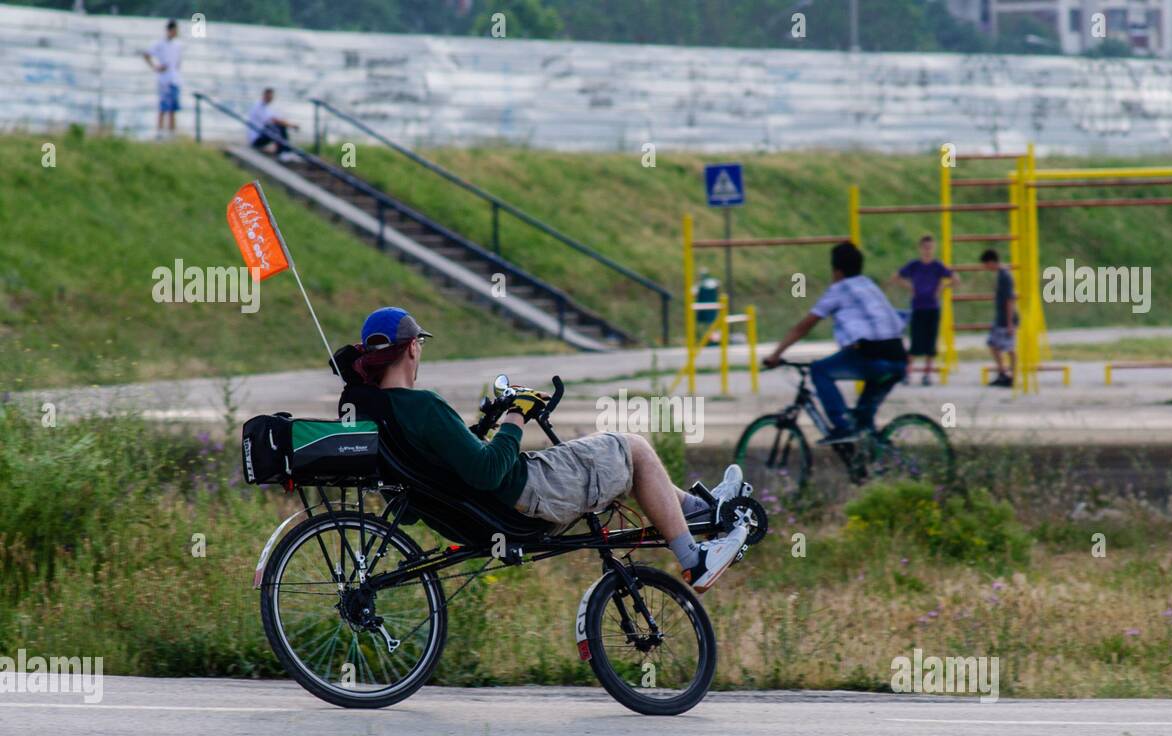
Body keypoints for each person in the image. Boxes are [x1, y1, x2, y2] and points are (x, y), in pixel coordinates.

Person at [345, 307, 750, 593]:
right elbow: (487, 472)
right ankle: (694, 561)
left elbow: (426, 489)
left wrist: (486, 428)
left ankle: (705, 512)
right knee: (634, 449)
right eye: (419, 347)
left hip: (489, 517)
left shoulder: (381, 415)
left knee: (620, 467)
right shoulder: (423, 405)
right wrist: (517, 416)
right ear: (413, 347)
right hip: (526, 498)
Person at [762, 242, 907, 444]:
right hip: (899, 358)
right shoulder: (869, 285)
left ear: (836, 271)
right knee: (864, 422)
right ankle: (873, 461)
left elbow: (803, 327)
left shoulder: (838, 290)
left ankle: (841, 426)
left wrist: (775, 355)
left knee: (819, 370)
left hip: (871, 355)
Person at [887, 233, 957, 386]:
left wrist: (942, 287)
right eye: (925, 248)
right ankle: (907, 373)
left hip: (932, 307)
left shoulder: (938, 266)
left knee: (930, 343)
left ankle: (927, 374)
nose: (927, 250)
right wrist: (909, 287)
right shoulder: (914, 265)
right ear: (920, 249)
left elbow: (955, 279)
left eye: (930, 248)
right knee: (915, 343)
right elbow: (895, 277)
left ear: (934, 248)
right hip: (918, 307)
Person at [981, 248, 1017, 388]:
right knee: (993, 344)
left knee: (1010, 348)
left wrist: (1009, 323)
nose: (986, 268)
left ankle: (1012, 376)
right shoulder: (1002, 274)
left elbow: (1009, 300)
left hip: (1006, 319)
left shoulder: (1005, 276)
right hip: (1000, 318)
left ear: (991, 262)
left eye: (986, 264)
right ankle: (1002, 373)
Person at [141, 19, 182, 138]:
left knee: (173, 109)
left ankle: (172, 134)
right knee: (163, 107)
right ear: (170, 30)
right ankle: (160, 133)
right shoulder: (159, 43)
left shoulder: (178, 45)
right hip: (164, 80)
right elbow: (146, 55)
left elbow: (178, 62)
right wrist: (155, 67)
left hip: (175, 79)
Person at [247, 88, 300, 161]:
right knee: (278, 128)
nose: (271, 99)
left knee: (279, 127)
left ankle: (285, 151)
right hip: (256, 139)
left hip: (261, 135)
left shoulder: (265, 107)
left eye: (272, 97)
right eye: (270, 97)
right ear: (265, 95)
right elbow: (274, 120)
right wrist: (292, 126)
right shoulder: (258, 106)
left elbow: (276, 118)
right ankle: (283, 152)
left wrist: (288, 124)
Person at [692, 268, 721, 344]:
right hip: (712, 308)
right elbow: (718, 288)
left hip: (703, 308)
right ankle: (711, 339)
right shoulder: (713, 282)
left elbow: (693, 294)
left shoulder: (699, 285)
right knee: (712, 324)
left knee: (708, 325)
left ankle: (709, 339)